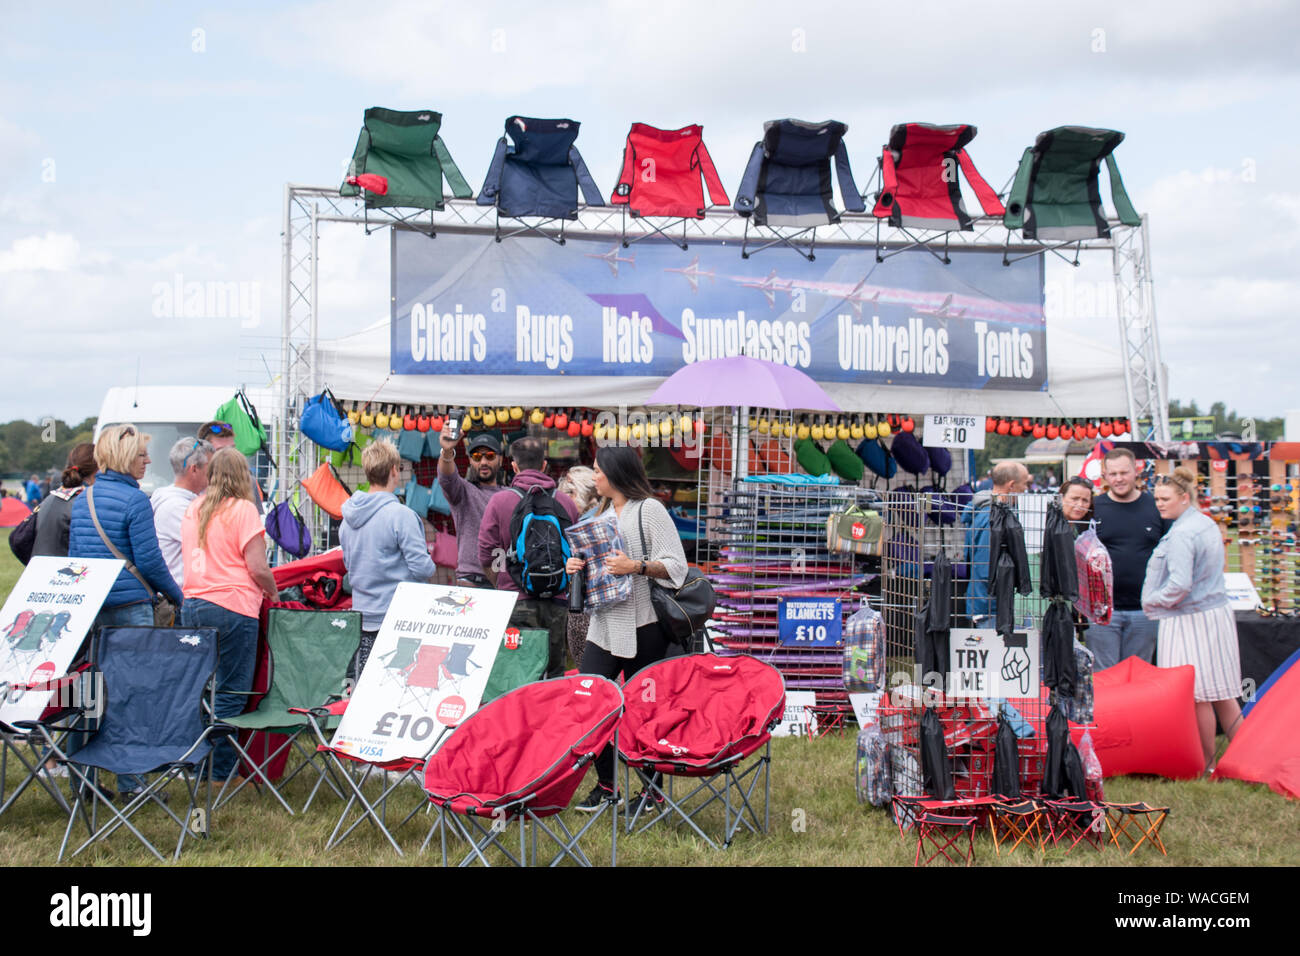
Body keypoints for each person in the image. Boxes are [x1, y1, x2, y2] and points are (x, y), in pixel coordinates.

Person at [565, 446, 687, 811]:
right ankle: (606, 786)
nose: (595, 476)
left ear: (617, 474)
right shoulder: (597, 512)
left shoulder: (649, 510)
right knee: (590, 706)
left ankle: (652, 793)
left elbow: (676, 566)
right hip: (603, 626)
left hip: (644, 625)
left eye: (600, 470)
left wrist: (636, 566)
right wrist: (577, 566)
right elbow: (596, 566)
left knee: (643, 712)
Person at [69, 424, 182, 800]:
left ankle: (81, 780)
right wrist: (176, 594)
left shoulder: (82, 499)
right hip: (131, 608)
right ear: (123, 458)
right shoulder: (136, 502)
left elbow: (75, 560)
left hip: (92, 607)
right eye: (141, 455)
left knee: (87, 696)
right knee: (133, 696)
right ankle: (132, 783)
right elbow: (150, 561)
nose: (148, 460)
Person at [178, 447, 279, 784]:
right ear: (243, 476)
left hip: (193, 604)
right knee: (231, 692)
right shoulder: (244, 510)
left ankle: (195, 761)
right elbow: (257, 566)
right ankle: (220, 771)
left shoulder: (194, 508)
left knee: (201, 689)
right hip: (233, 606)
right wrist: (272, 591)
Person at [1141, 466, 1241, 771]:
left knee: (1198, 695)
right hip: (1214, 614)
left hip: (1190, 619)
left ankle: (1208, 764)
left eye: (1165, 498)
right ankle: (1245, 757)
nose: (1159, 504)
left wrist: (1152, 601)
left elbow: (1180, 584)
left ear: (1184, 497)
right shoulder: (1205, 523)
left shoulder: (1183, 533)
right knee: (1222, 692)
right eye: (1156, 498)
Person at [477, 436, 579, 679]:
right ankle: (552, 715)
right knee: (554, 672)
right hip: (557, 600)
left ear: (514, 466)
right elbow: (576, 549)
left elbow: (486, 550)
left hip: (516, 600)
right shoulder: (565, 502)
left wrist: (500, 581)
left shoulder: (500, 501)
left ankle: (524, 717)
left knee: (519, 672)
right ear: (544, 465)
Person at [340, 439, 436, 677]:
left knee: (367, 689)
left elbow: (349, 568)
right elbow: (423, 569)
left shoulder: (347, 520)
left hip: (362, 619)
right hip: (400, 621)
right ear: (394, 470)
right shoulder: (401, 516)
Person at [1087, 448, 1170, 670]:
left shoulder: (1156, 507)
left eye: (1124, 472)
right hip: (1102, 611)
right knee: (1104, 677)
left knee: (1138, 676)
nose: (1119, 479)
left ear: (1136, 471)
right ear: (1104, 475)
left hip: (1144, 609)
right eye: (1113, 474)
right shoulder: (1093, 508)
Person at [964, 461, 1030, 625]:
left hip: (988, 604)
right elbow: (987, 567)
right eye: (1025, 484)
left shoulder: (989, 514)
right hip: (991, 607)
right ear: (1012, 485)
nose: (1026, 489)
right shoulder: (992, 519)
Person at [437, 431, 506, 588]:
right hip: (470, 580)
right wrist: (447, 452)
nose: (483, 462)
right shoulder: (463, 491)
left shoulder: (509, 496)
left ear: (500, 460)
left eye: (489, 456)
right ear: (470, 460)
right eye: (476, 457)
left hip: (501, 581)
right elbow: (446, 477)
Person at [150, 437, 213, 587]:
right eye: (210, 466)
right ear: (194, 469)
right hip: (180, 596)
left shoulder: (179, 501)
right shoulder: (176, 507)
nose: (213, 472)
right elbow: (212, 544)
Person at [557, 465, 600, 668]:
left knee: (589, 674)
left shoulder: (585, 525)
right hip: (600, 611)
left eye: (568, 495)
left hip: (586, 610)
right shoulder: (606, 516)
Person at [31, 444, 99, 558]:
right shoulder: (85, 502)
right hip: (66, 569)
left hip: (40, 567)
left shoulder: (50, 499)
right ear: (97, 469)